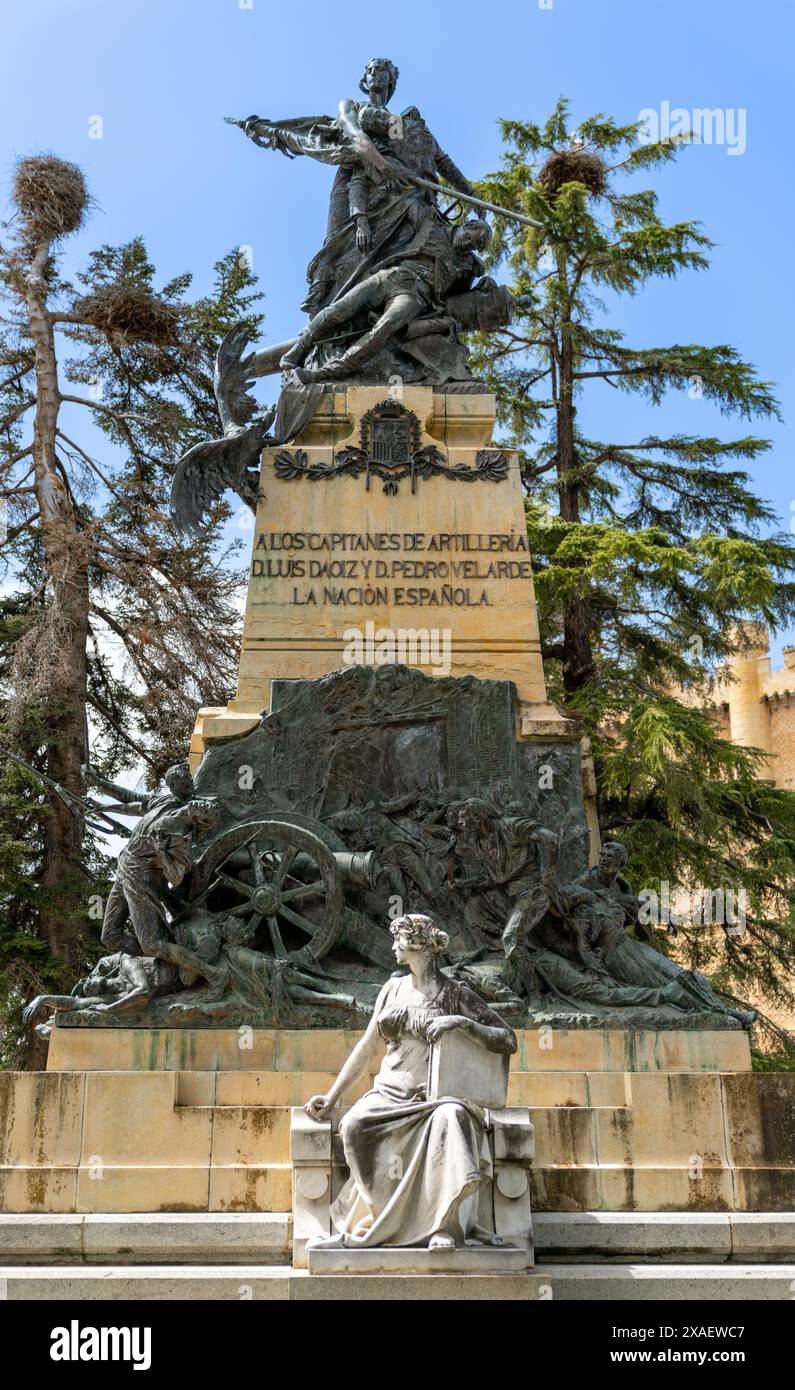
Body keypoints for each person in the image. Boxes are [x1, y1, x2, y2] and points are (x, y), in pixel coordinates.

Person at [304, 912, 516, 1250]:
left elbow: (507, 1039)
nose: (393, 947)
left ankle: (442, 1226)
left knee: (452, 1118)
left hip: (438, 1096)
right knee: (355, 1124)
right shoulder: (392, 989)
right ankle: (381, 1220)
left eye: (398, 940)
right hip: (390, 1093)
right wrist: (331, 1098)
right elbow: (366, 1048)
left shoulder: (453, 993)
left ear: (417, 946)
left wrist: (461, 1023)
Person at [281, 219, 491, 381]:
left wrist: (483, 286)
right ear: (467, 225)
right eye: (469, 238)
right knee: (339, 309)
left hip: (415, 295)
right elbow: (408, 198)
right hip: (390, 276)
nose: (467, 245)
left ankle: (334, 370)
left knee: (386, 325)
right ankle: (297, 350)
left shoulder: (468, 266)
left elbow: (458, 296)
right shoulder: (431, 224)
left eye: (473, 246)